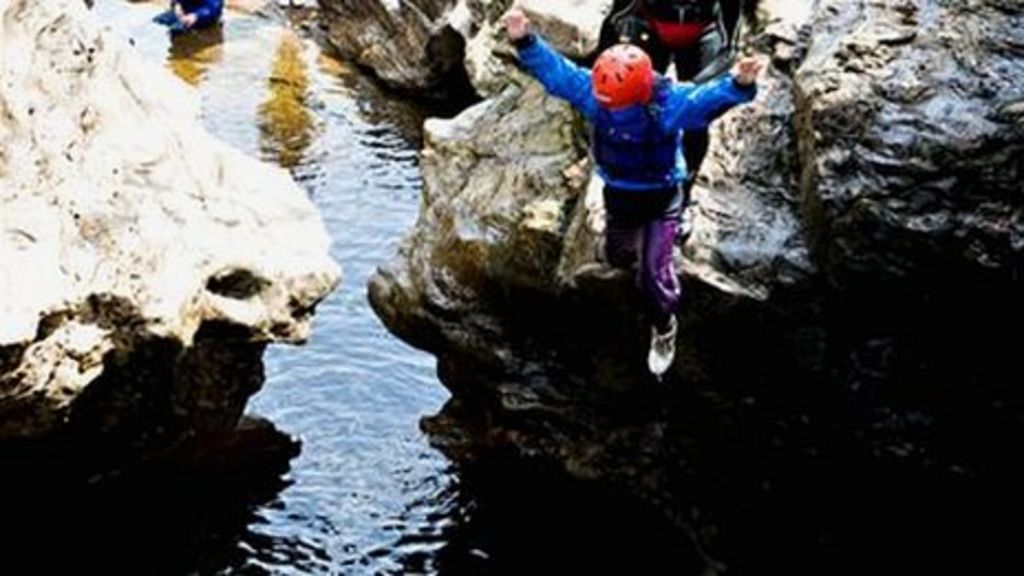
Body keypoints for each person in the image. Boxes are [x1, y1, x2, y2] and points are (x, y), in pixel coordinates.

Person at [503, 7, 760, 376]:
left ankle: (664, 324)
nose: (608, 105)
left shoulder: (668, 104)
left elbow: (706, 99)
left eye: (615, 100)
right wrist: (525, 41)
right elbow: (558, 73)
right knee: (618, 256)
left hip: (661, 198)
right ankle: (637, 262)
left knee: (651, 276)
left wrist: (738, 83)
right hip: (619, 193)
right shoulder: (595, 93)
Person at [597, 1, 746, 243]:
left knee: (697, 118)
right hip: (650, 26)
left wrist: (693, 94)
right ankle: (628, 196)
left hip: (703, 32)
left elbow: (728, 50)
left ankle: (683, 197)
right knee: (633, 107)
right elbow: (614, 21)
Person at [154, 0, 224, 33]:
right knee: (156, 21)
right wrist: (176, 5)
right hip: (184, 11)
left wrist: (196, 16)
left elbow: (214, 7)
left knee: (177, 29)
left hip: (203, 15)